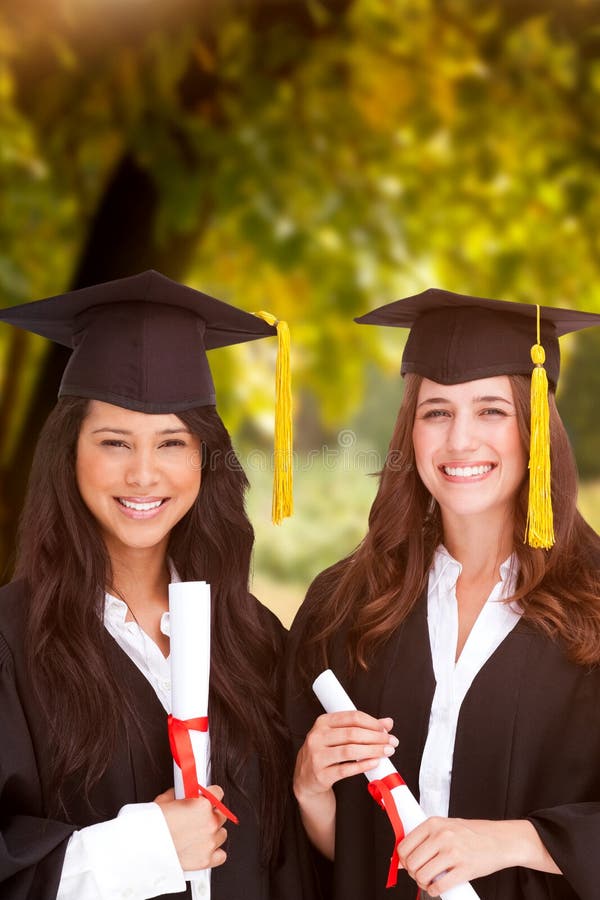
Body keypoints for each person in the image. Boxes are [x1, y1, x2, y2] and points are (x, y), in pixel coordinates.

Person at [0, 270, 310, 900]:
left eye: (172, 441)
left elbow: (288, 858)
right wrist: (137, 850)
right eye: (114, 442)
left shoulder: (254, 638)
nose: (144, 474)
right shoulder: (9, 641)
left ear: (204, 458)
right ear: (70, 455)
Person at [285, 288, 600, 900]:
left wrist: (517, 841)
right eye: (436, 412)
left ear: (535, 427)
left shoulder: (594, 603)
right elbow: (336, 860)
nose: (460, 442)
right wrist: (310, 788)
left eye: (491, 411)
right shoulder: (346, 606)